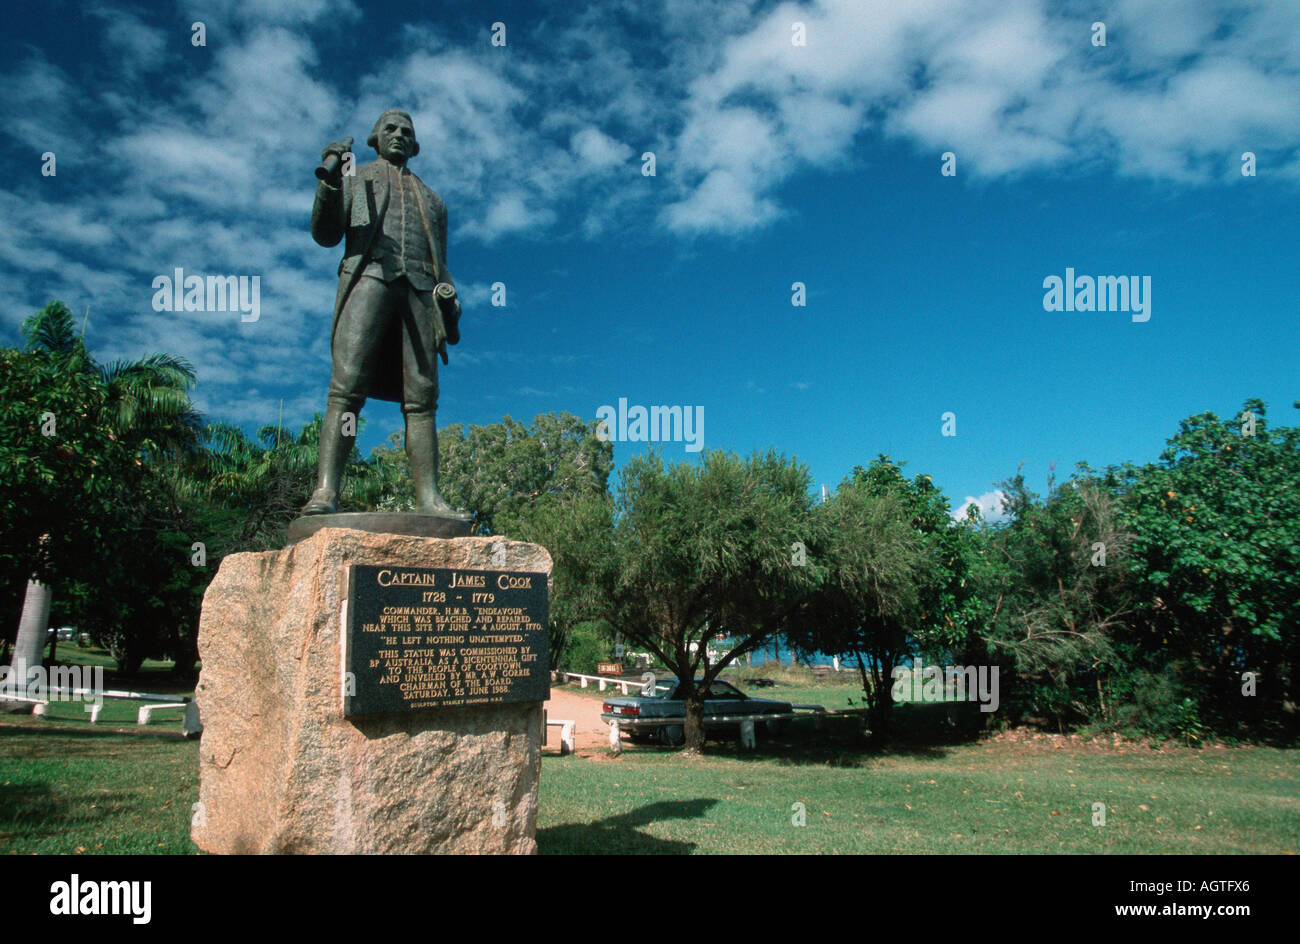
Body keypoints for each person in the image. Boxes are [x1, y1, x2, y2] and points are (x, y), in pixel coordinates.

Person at [302, 108, 464, 517]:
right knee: (347, 387)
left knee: (423, 399)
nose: (398, 135)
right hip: (371, 277)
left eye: (407, 132)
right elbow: (328, 234)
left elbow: (439, 262)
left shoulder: (433, 201)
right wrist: (332, 186)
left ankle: (429, 499)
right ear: (374, 138)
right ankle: (325, 492)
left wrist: (449, 303)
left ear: (416, 145)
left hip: (421, 294)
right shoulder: (361, 180)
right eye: (390, 129)